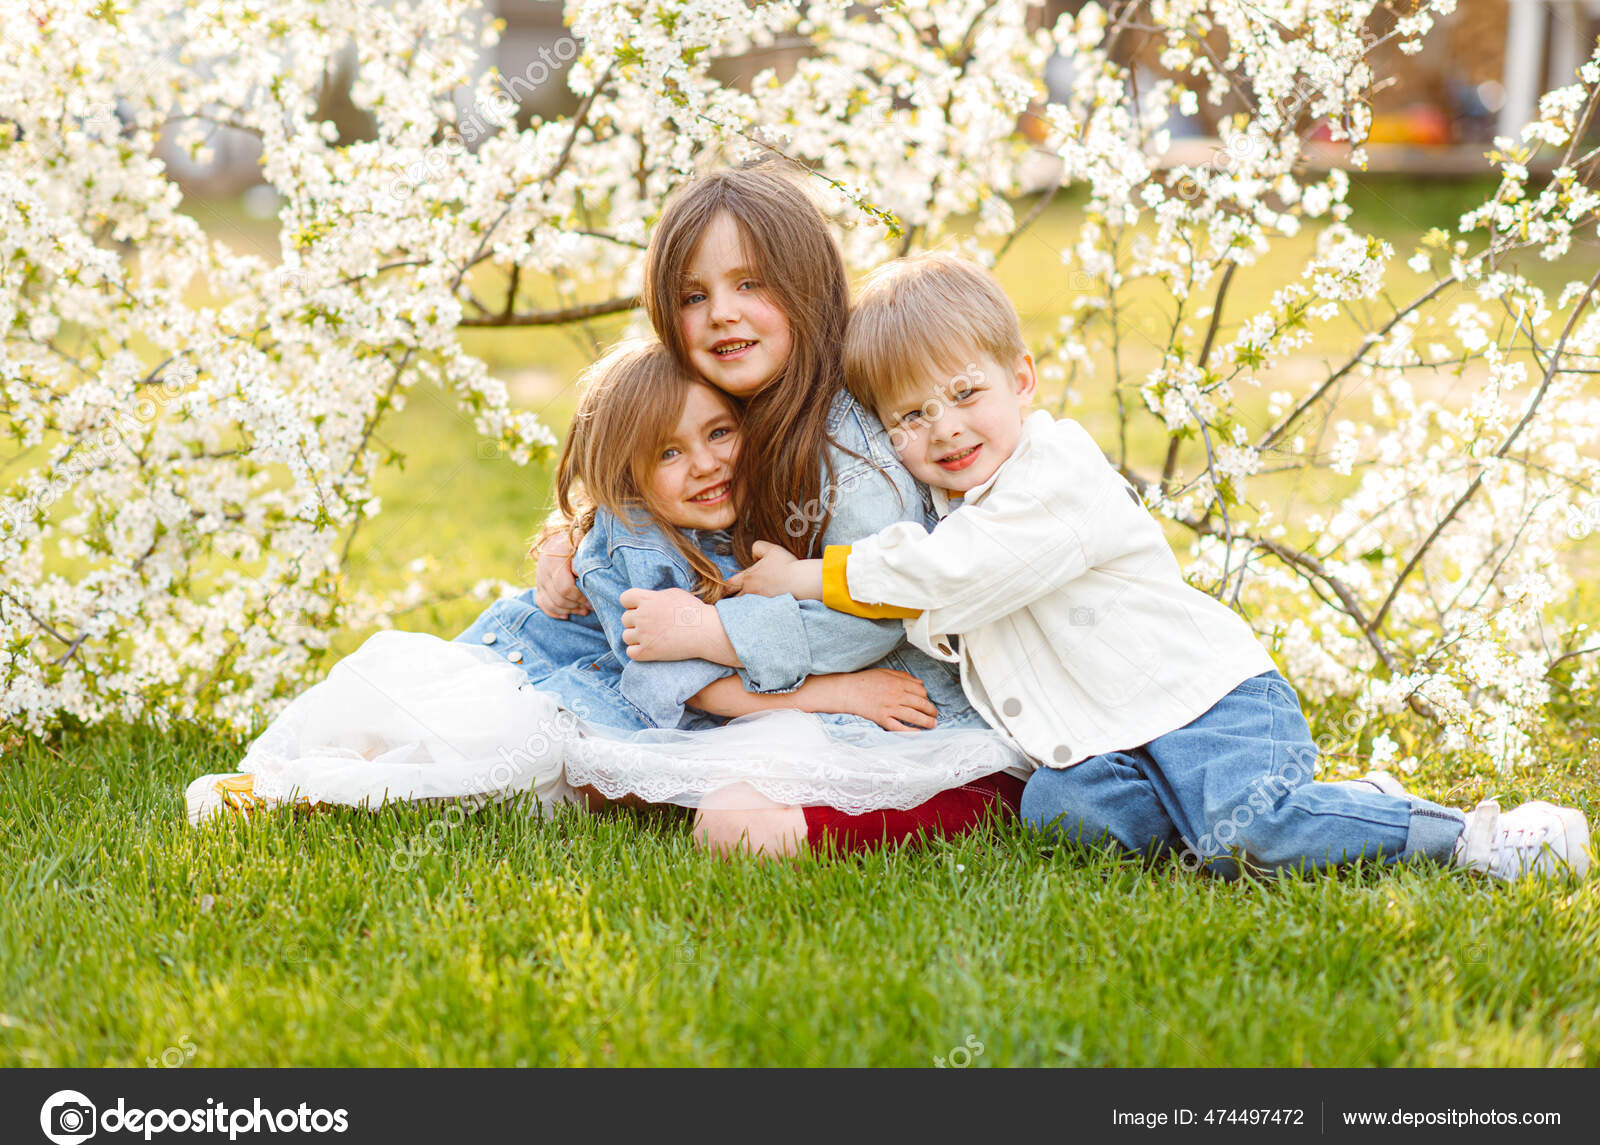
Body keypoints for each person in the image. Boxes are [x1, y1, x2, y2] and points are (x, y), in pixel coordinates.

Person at [717, 251, 1591, 882]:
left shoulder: (1052, 475)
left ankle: (1472, 837)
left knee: (1258, 832)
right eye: (908, 416)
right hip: (1105, 741)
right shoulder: (948, 507)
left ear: (1022, 378)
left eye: (965, 394)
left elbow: (952, 577)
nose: (942, 428)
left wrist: (809, 576)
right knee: (1064, 811)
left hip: (1203, 702)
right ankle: (1287, 817)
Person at [184, 338, 1023, 831]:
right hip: (549, 673)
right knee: (482, 756)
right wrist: (835, 692)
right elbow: (681, 685)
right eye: (667, 452)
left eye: (720, 432)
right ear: (626, 470)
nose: (705, 464)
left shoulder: (743, 510)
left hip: (601, 674)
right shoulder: (637, 547)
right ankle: (301, 793)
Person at [526, 165, 1031, 855]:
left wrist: (712, 633)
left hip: (894, 686)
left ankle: (953, 804)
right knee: (581, 752)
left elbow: (871, 613)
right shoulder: (733, 387)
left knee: (738, 817)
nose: (721, 313)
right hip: (784, 671)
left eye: (749, 284)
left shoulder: (851, 451)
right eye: (693, 295)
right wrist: (571, 538)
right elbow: (642, 473)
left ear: (809, 287)